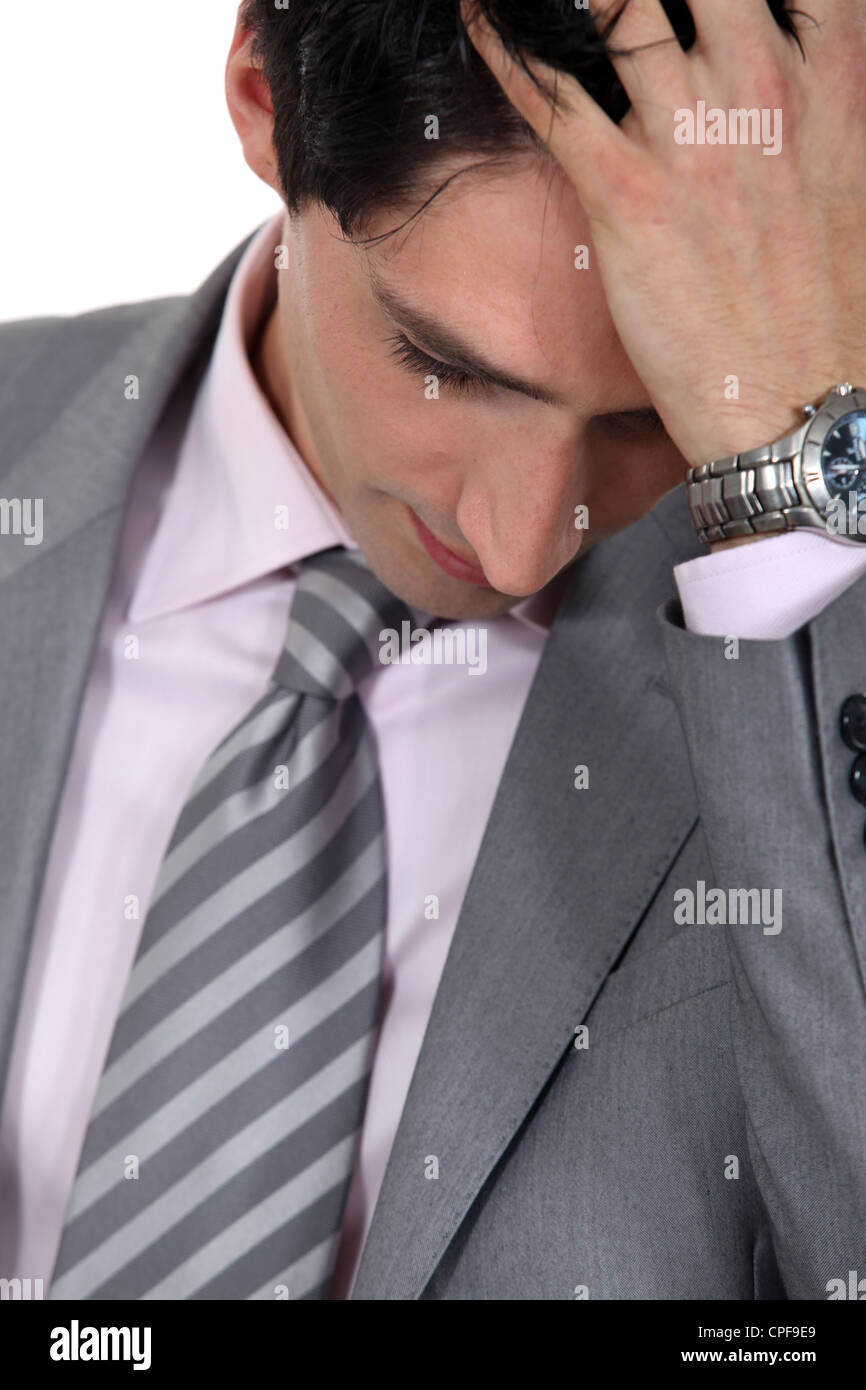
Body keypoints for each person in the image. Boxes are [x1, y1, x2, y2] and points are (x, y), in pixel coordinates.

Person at [0, 0, 864, 1301]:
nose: (519, 548)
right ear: (258, 97)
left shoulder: (804, 630)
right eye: (442, 365)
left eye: (649, 419)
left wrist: (793, 459)